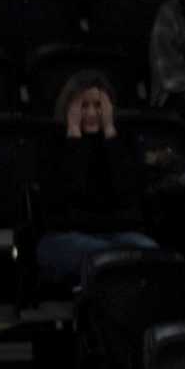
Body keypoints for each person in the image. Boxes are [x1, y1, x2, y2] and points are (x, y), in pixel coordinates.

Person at [35, 71, 158, 288]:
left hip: (118, 234)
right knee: (105, 258)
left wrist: (111, 133)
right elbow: (67, 194)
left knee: (150, 254)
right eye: (83, 106)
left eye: (98, 105)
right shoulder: (53, 142)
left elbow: (126, 192)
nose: (92, 113)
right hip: (66, 237)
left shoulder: (121, 142)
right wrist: (74, 135)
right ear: (69, 108)